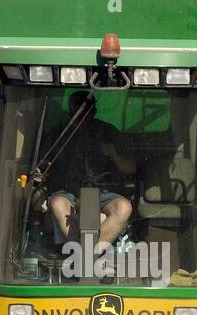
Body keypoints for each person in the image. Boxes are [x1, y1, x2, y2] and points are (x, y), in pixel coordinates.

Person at [43, 92, 137, 250]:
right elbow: (43, 165)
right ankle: (82, 252)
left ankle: (89, 254)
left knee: (124, 207)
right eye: (76, 114)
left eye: (85, 113)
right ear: (70, 113)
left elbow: (130, 168)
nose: (80, 119)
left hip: (102, 191)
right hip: (68, 191)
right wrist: (42, 173)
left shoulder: (109, 132)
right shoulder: (58, 134)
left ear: (93, 112)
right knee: (58, 204)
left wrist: (113, 154)